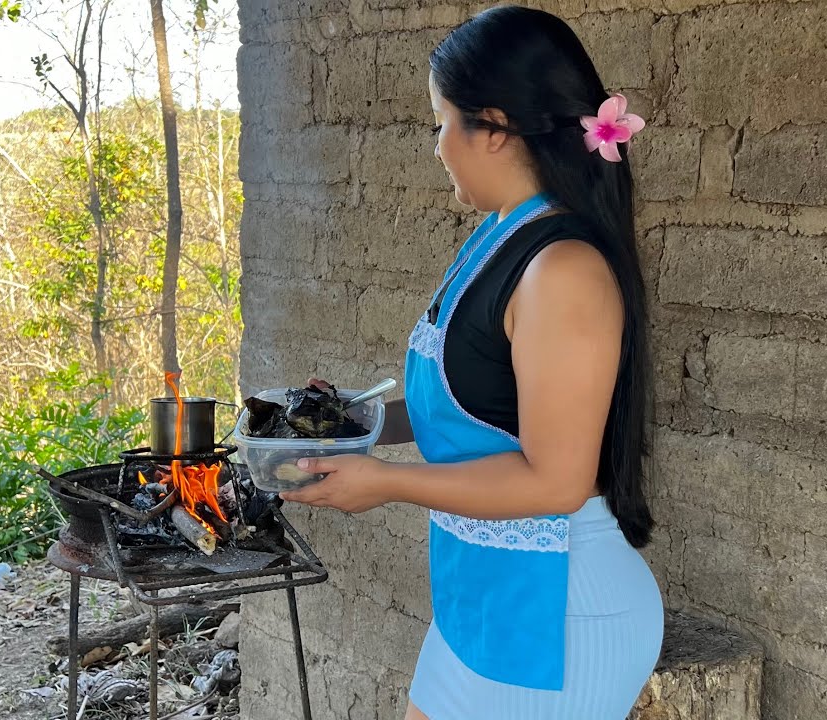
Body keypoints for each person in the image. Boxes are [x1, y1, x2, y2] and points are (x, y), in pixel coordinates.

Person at [279, 5, 663, 719]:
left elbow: (554, 481)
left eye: (439, 123)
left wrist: (387, 484)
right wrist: (355, 422)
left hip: (559, 613)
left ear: (491, 126)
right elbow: (476, 407)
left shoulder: (564, 269)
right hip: (484, 598)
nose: (436, 148)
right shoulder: (498, 237)